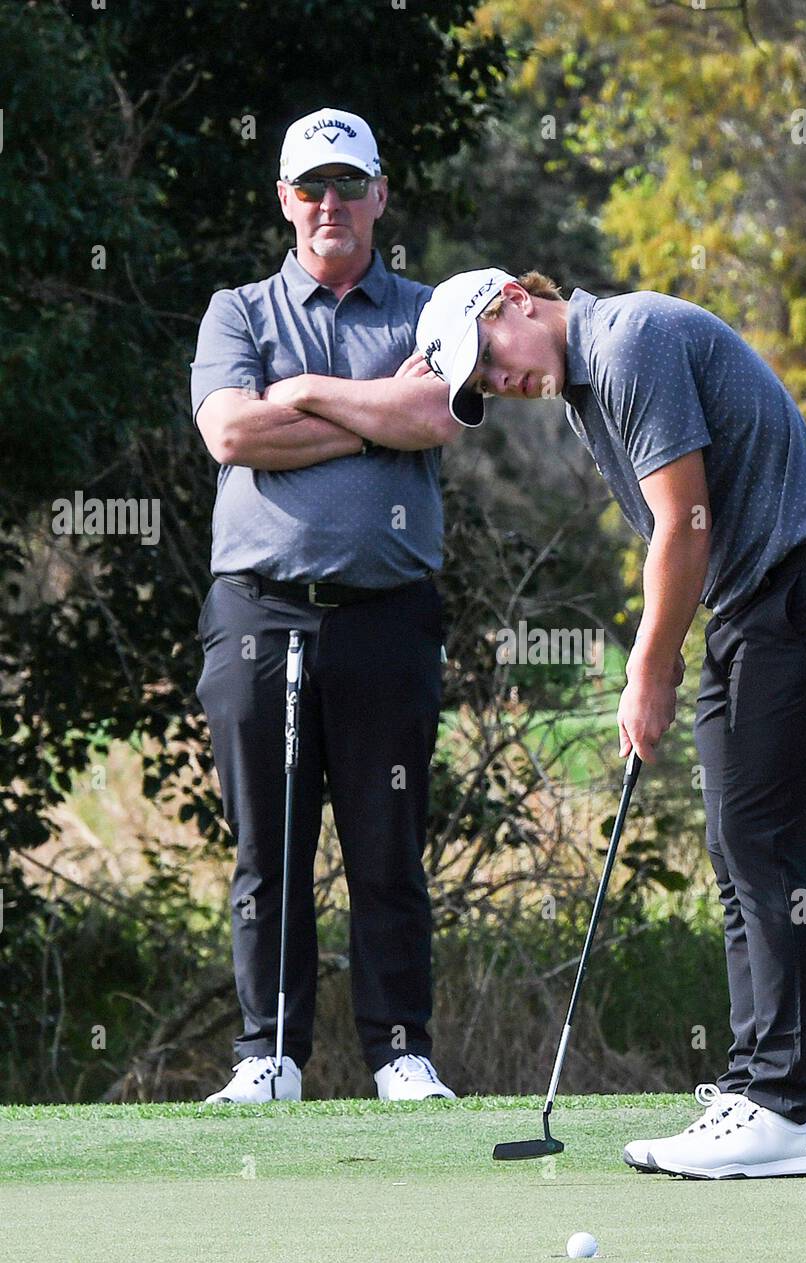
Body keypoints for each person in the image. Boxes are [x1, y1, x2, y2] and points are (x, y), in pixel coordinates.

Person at [413, 268, 806, 1176]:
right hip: (756, 608)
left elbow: (685, 523)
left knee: (765, 843)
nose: (498, 384)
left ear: (516, 298)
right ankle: (759, 1087)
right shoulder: (586, 386)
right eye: (479, 388)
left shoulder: (628, 343)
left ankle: (790, 1109)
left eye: (489, 360)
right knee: (738, 844)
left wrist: (650, 665)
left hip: (805, 597)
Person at [190, 108, 459, 1104]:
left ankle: (399, 1052)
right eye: (311, 188)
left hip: (387, 614)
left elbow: (434, 413)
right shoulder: (238, 311)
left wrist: (299, 395)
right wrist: (368, 413)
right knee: (270, 848)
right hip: (260, 613)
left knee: (388, 843)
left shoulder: (427, 310)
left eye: (349, 185)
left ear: (380, 194)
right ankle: (268, 1054)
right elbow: (230, 435)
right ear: (284, 201)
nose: (330, 205)